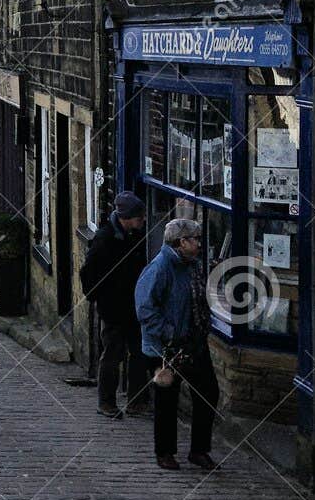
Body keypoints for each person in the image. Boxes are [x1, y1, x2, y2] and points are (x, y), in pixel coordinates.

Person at [134, 217, 220, 472]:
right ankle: (165, 452)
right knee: (166, 400)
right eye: (196, 240)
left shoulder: (190, 264)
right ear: (182, 242)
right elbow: (145, 309)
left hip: (193, 343)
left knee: (208, 393)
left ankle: (199, 450)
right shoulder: (159, 268)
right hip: (166, 348)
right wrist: (170, 333)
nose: (200, 245)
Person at [81, 192, 150, 420]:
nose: (143, 220)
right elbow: (88, 273)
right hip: (113, 308)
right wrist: (98, 297)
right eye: (139, 217)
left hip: (134, 306)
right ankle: (106, 402)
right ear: (127, 217)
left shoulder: (135, 235)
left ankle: (136, 401)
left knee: (139, 352)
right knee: (112, 355)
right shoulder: (105, 239)